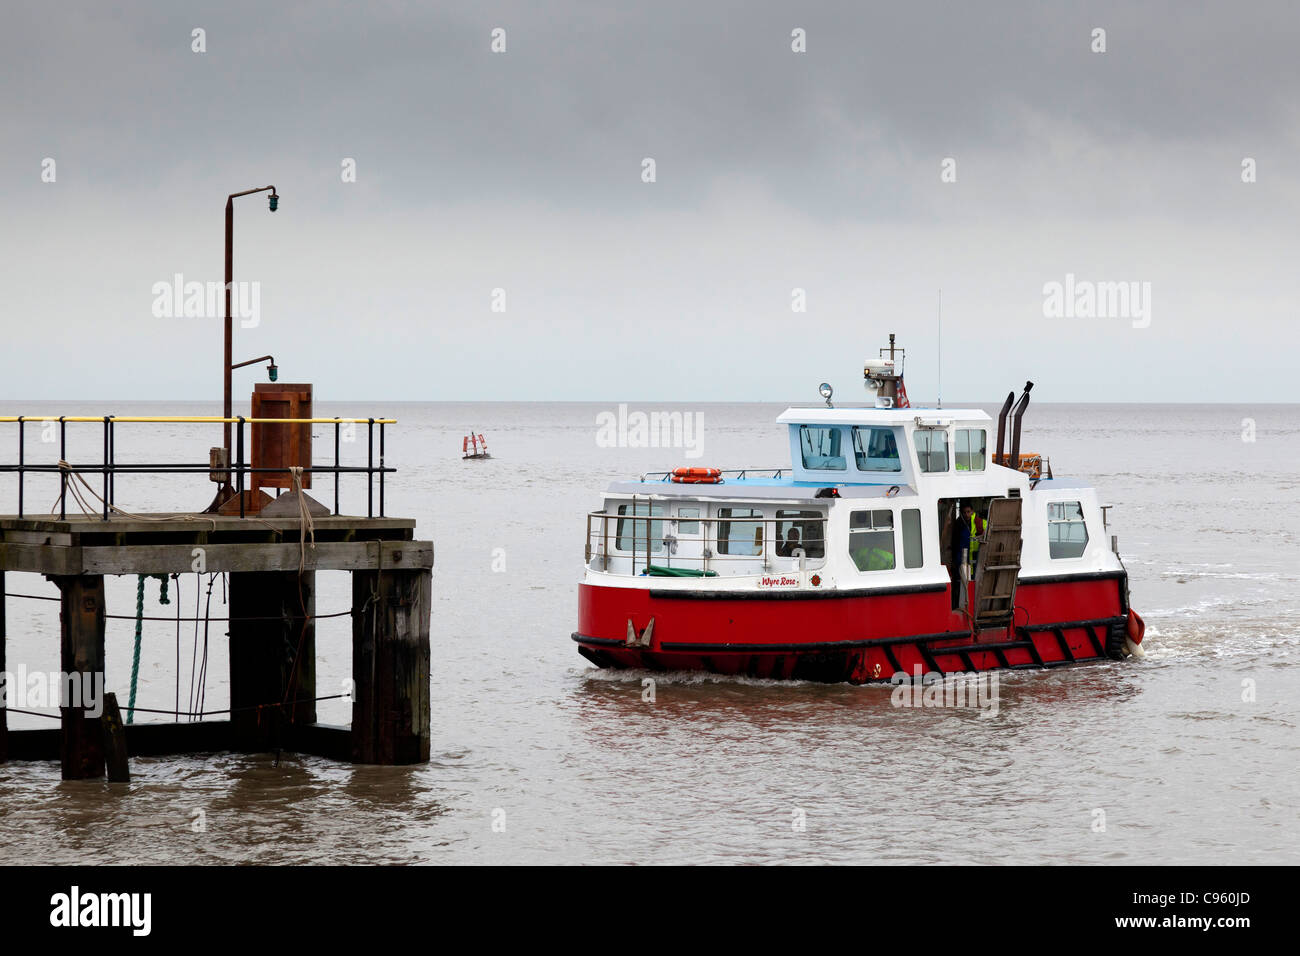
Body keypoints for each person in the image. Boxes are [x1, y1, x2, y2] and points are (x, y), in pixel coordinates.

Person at [962, 502, 985, 571]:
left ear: (972, 511)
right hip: (967, 555)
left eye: (968, 512)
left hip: (979, 554)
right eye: (964, 512)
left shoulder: (982, 522)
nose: (966, 514)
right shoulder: (961, 524)